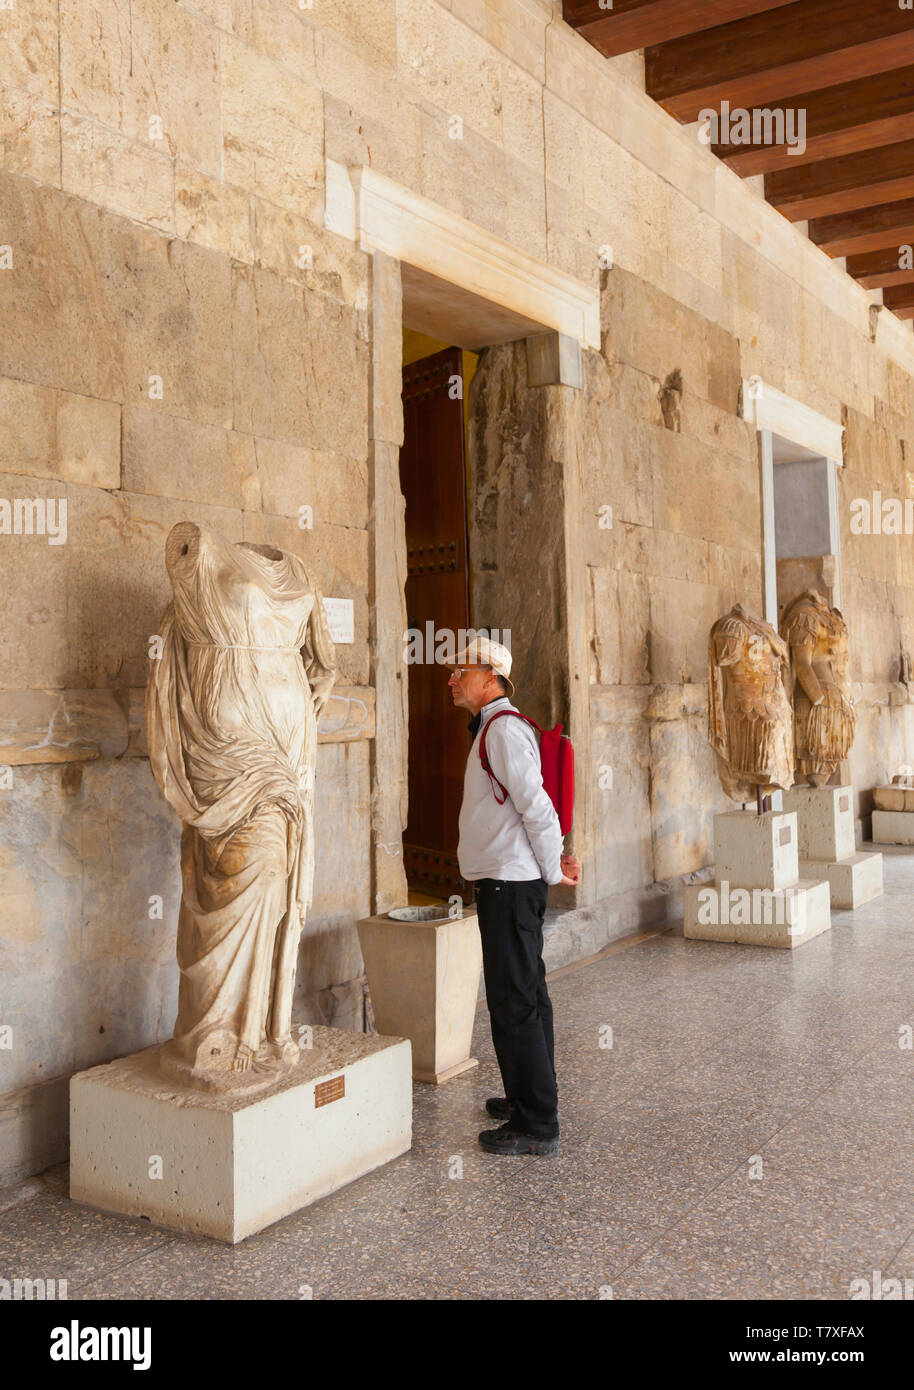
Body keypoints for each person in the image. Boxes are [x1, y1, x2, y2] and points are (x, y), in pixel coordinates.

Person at [446, 637, 580, 1156]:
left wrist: (552, 868)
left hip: (511, 884)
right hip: (509, 880)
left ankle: (536, 1122)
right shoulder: (496, 729)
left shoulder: (501, 731)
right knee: (527, 992)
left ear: (490, 678)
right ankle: (528, 1095)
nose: (453, 680)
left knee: (515, 999)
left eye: (462, 672)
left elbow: (537, 806)